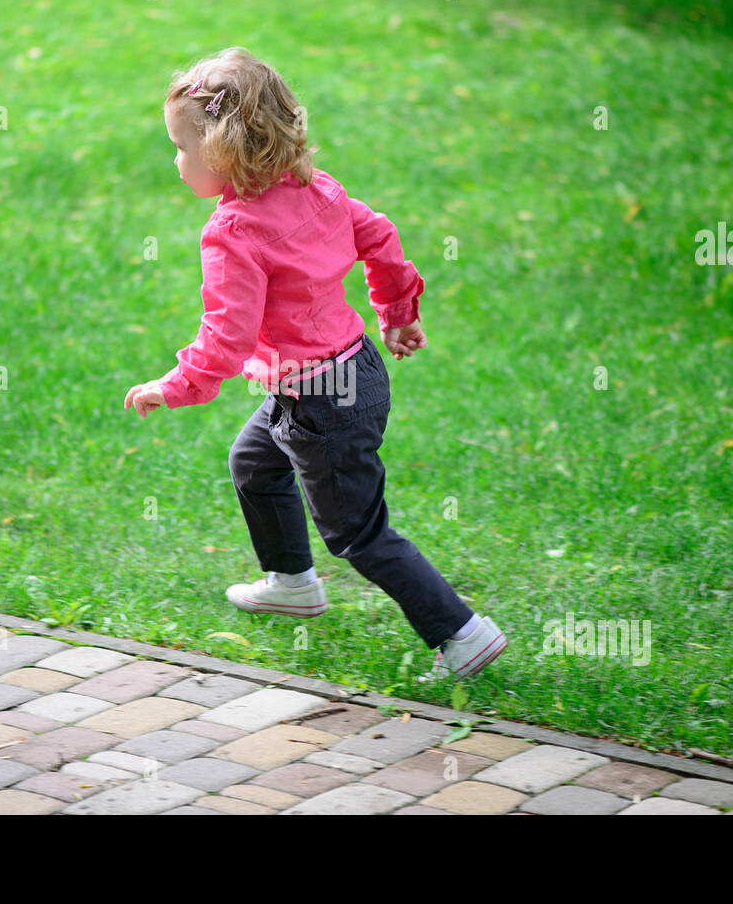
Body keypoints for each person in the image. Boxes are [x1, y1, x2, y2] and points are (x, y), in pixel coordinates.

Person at [123, 47, 505, 680]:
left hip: (319, 400)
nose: (176, 159)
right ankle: (292, 582)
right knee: (253, 462)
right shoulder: (316, 189)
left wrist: (179, 384)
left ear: (224, 151)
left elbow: (228, 335)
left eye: (182, 146)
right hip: (351, 372)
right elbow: (377, 236)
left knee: (359, 532)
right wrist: (399, 312)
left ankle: (462, 633)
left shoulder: (232, 233)